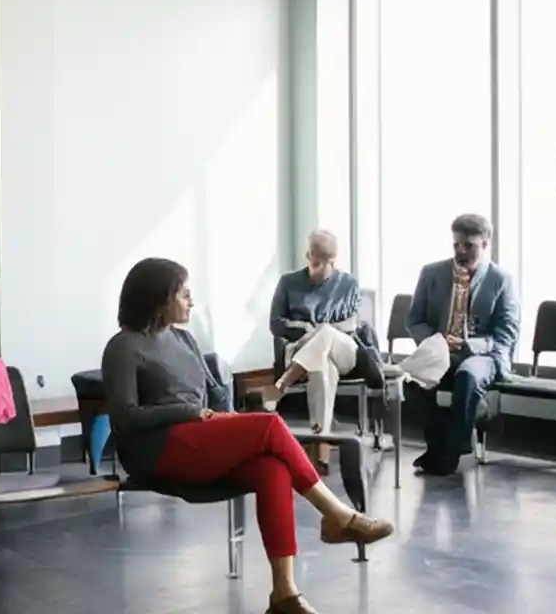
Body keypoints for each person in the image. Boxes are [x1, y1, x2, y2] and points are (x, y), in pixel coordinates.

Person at [102, 257, 392, 614]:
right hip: (153, 450)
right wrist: (190, 413)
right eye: (184, 294)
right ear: (160, 298)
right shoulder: (124, 347)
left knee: (272, 468)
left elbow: (209, 398)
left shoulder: (184, 339)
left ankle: (284, 593)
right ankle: (336, 514)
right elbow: (124, 419)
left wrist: (227, 420)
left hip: (194, 439)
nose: (192, 301)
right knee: (270, 425)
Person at [406, 214, 519, 476]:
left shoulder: (501, 280)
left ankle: (451, 452)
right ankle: (437, 446)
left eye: (469, 246)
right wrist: (436, 342)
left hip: (484, 355)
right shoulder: (432, 273)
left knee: (468, 375)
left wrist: (470, 345)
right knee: (412, 377)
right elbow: (414, 320)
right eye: (456, 245)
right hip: (441, 349)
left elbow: (506, 333)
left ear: (485, 244)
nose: (461, 251)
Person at [263, 229, 362, 472]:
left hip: (344, 349)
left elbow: (351, 325)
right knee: (321, 369)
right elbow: (275, 323)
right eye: (312, 259)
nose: (315, 267)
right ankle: (321, 455)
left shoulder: (348, 284)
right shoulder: (288, 282)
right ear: (308, 254)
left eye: (322, 263)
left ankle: (282, 384)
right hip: (304, 350)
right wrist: (308, 331)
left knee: (326, 333)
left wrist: (320, 332)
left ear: (333, 261)